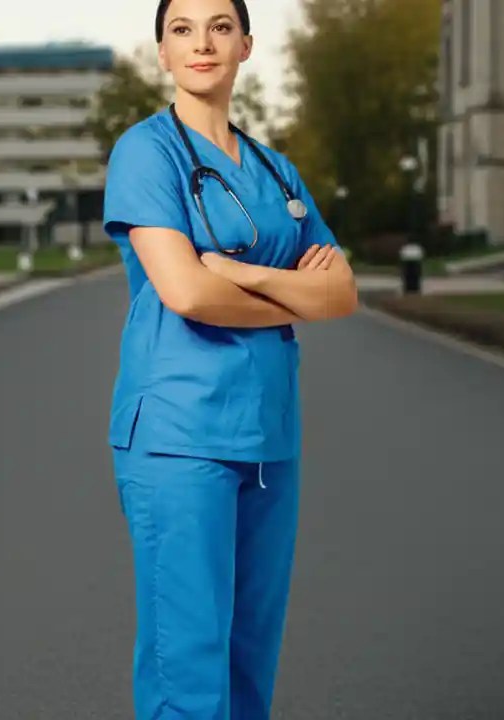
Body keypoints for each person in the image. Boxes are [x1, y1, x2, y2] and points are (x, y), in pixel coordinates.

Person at [102, 0, 357, 717]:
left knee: (250, 660)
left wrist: (248, 275)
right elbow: (185, 291)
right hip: (179, 438)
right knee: (187, 665)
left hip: (270, 441)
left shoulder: (278, 173)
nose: (202, 43)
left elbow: (340, 294)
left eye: (220, 26)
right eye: (181, 29)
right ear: (161, 52)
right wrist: (293, 297)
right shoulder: (146, 153)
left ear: (246, 44)